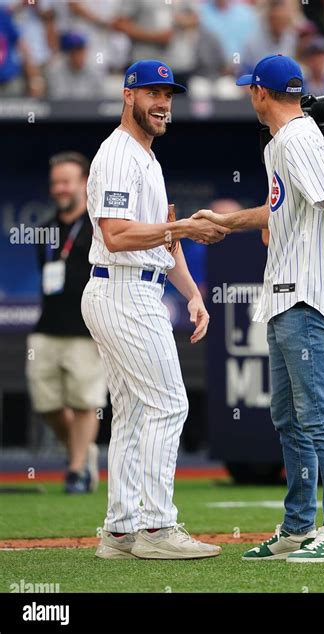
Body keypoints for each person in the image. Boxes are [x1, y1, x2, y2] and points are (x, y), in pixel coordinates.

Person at [194, 54, 324, 563]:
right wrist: (225, 223)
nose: (248, 96)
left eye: (250, 88)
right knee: (289, 417)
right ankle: (299, 527)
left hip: (307, 295)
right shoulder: (288, 142)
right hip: (285, 296)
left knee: (320, 415)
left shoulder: (298, 138)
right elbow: (278, 210)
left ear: (262, 92)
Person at [82, 59, 230, 560]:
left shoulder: (148, 158)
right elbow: (117, 235)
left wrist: (190, 291)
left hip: (132, 286)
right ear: (128, 95)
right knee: (170, 404)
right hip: (121, 288)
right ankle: (157, 527)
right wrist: (185, 228)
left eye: (168, 93)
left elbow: (162, 243)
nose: (162, 102)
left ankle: (120, 531)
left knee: (131, 412)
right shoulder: (118, 154)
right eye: (151, 92)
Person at [26, 152, 107, 494]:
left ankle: (76, 472)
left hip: (86, 329)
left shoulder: (100, 228)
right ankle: (82, 453)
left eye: (66, 181)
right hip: (46, 328)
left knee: (85, 402)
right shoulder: (44, 229)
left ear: (85, 183)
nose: (60, 188)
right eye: (55, 182)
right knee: (47, 404)